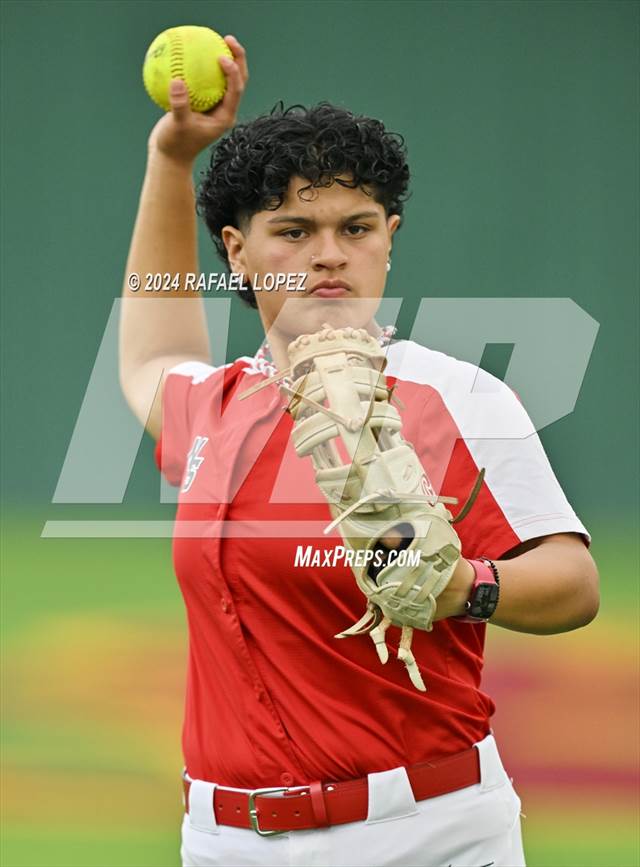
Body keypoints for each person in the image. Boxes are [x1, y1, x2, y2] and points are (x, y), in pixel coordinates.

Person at [119, 35, 599, 867]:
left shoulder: (455, 397)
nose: (329, 253)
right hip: (226, 841)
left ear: (390, 237)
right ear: (237, 251)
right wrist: (171, 160)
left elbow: (574, 583)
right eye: (294, 230)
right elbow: (151, 354)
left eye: (357, 226)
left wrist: (468, 587)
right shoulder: (216, 407)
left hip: (427, 834)